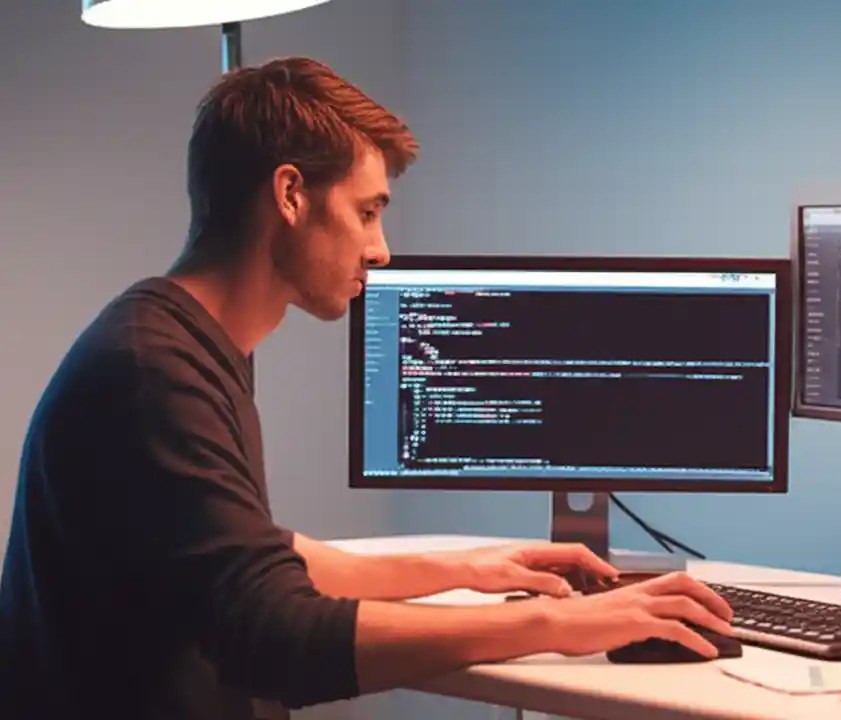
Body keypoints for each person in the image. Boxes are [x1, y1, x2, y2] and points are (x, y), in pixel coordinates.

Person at [0, 56, 733, 720]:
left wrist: (470, 570)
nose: (380, 250)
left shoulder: (180, 339)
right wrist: (558, 626)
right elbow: (275, 635)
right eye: (368, 211)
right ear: (290, 194)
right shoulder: (151, 371)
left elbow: (242, 552)